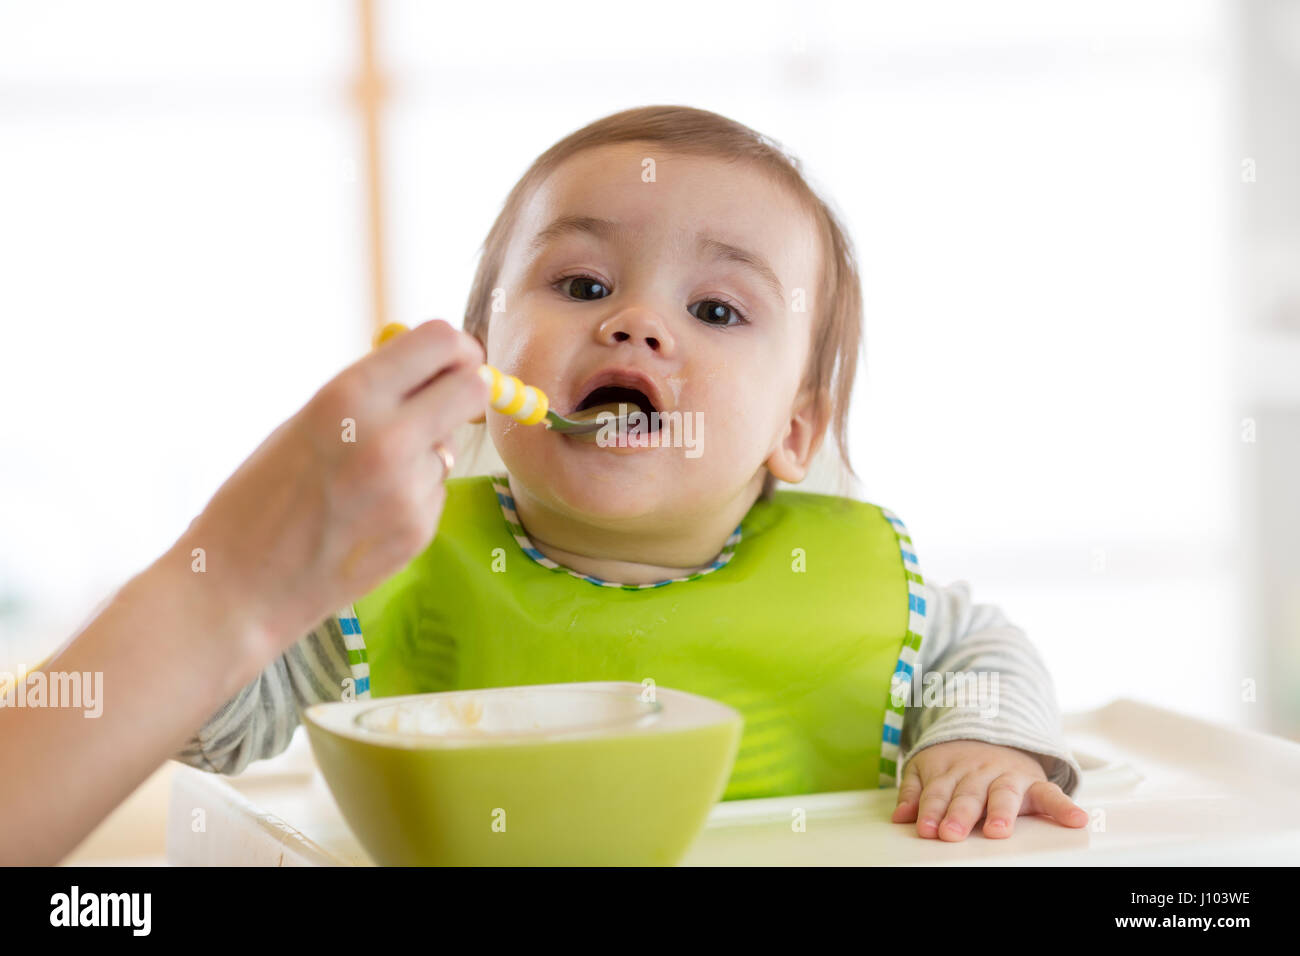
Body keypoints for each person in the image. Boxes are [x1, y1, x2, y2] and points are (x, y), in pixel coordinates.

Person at [177, 106, 1089, 842]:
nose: (638, 322)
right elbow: (197, 729)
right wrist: (261, 554)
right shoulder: (394, 565)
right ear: (483, 366)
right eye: (581, 287)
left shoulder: (861, 587)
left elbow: (983, 653)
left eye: (717, 309)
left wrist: (980, 741)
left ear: (795, 431)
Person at [0, 320, 489, 865]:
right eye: (581, 287)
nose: (608, 324)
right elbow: (218, 727)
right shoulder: (396, 561)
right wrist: (230, 580)